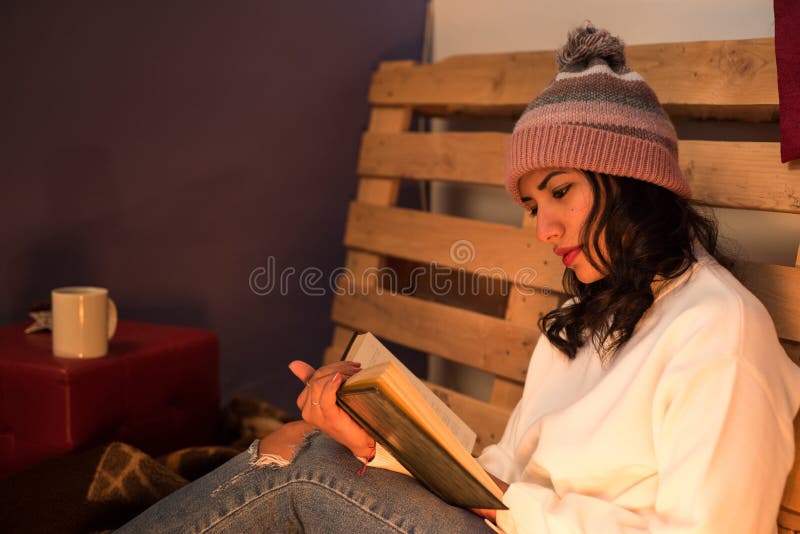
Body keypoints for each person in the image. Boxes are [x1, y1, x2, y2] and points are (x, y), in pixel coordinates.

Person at [119, 23, 800, 533]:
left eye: (560, 192)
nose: (544, 229)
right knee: (312, 444)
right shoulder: (593, 316)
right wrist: (383, 447)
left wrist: (500, 506)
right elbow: (502, 470)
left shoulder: (719, 333)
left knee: (309, 475)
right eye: (533, 206)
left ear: (631, 182)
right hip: (494, 522)